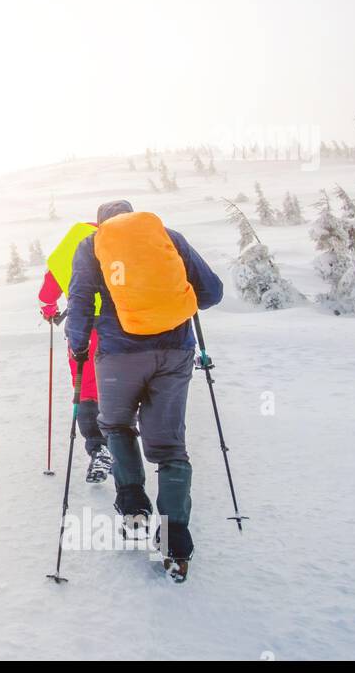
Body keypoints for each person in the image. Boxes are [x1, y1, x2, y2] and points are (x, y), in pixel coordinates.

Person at [64, 200, 224, 583]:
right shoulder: (169, 237)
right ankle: (175, 545)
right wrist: (173, 306)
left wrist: (79, 344)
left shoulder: (92, 245)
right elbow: (212, 292)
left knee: (116, 426)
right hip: (175, 351)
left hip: (119, 354)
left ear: (103, 223)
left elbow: (80, 300)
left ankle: (134, 509)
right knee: (170, 447)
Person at [39, 220, 113, 483]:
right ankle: (119, 445)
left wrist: (50, 312)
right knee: (118, 384)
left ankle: (98, 447)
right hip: (117, 324)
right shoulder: (116, 239)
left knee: (86, 388)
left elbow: (47, 293)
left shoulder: (68, 246)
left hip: (81, 326)